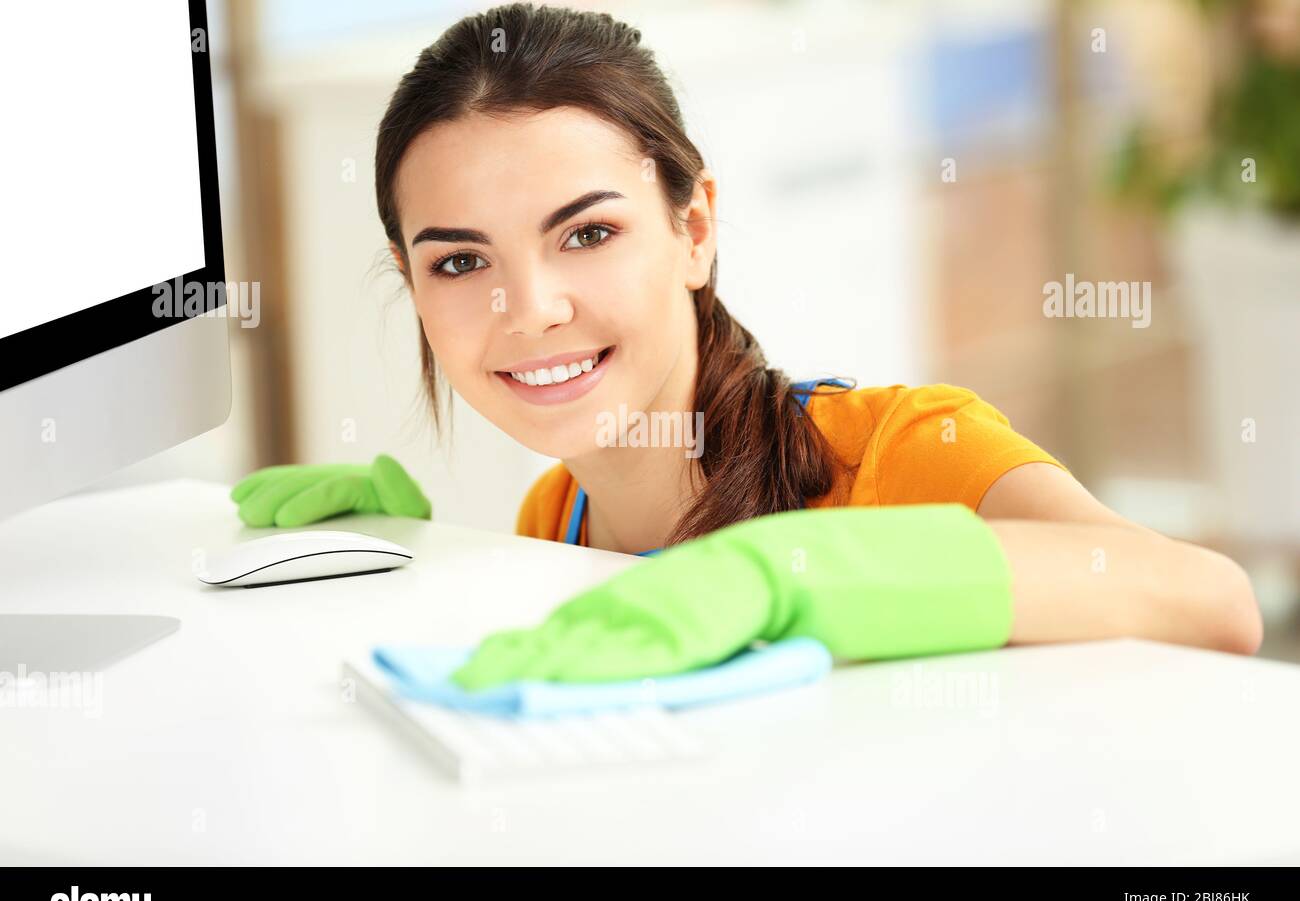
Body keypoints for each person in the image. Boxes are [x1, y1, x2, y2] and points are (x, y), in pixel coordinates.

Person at [232, 3, 1262, 690]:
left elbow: (1212, 601)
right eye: (459, 262)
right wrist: (414, 563)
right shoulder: (555, 521)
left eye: (587, 233)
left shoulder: (900, 451)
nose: (529, 307)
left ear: (693, 229)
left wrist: (794, 573)